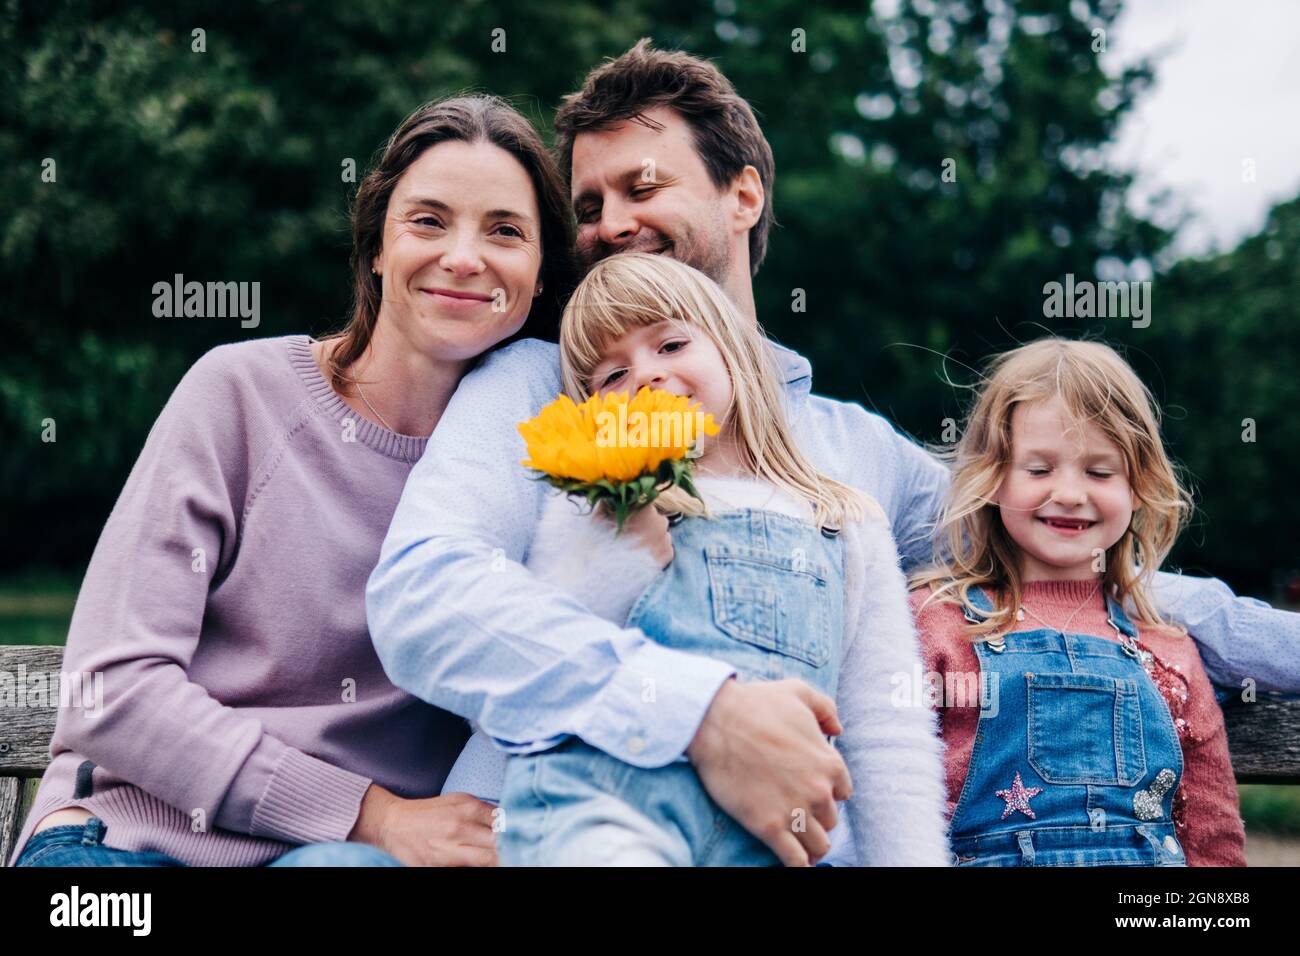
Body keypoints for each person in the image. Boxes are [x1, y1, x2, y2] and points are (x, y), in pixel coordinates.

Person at [366, 41, 1300, 868]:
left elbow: (1068, 567)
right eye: (590, 203)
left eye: (641, 187)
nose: (608, 223)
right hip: (565, 828)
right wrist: (700, 714)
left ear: (743, 193)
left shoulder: (853, 456)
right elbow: (427, 593)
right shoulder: (542, 384)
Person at [10, 94, 576, 868]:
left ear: (542, 275)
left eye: (505, 231)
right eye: (428, 221)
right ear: (376, 246)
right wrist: (369, 815)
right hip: (128, 846)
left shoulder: (537, 469)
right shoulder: (240, 393)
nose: (465, 257)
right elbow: (114, 688)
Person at [442, 252, 949, 865]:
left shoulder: (845, 518)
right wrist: (624, 534)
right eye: (611, 376)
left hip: (768, 838)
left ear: (733, 350)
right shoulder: (589, 507)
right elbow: (543, 668)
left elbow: (887, 733)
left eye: (672, 344)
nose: (647, 377)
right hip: (602, 814)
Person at [909, 338, 1246, 866]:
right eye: (1039, 470)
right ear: (993, 477)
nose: (1068, 492)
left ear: (1139, 487)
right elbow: (893, 794)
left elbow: (1211, 833)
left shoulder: (1168, 650)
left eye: (1099, 471)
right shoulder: (939, 622)